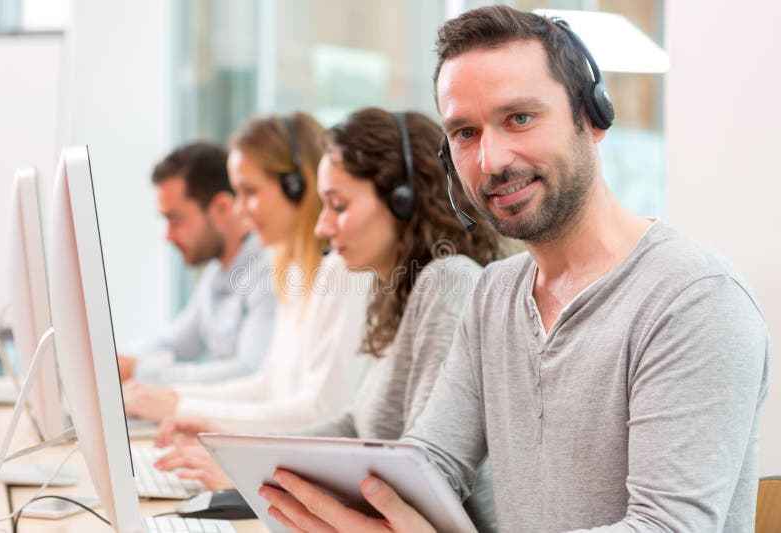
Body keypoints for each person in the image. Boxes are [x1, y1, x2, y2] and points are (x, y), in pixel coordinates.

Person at [259, 7, 770, 533]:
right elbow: (431, 460)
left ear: (592, 116)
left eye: (519, 118)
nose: (492, 160)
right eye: (465, 132)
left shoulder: (695, 299)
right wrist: (296, 486)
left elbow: (668, 527)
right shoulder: (494, 294)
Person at [151, 108, 512, 530]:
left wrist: (258, 472)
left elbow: (420, 474)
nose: (322, 227)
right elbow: (353, 425)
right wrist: (245, 458)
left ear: (403, 199)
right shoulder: (400, 294)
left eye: (338, 206)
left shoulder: (448, 282)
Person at [123, 112, 375, 433]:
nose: (239, 209)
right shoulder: (291, 271)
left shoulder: (343, 272)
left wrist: (179, 407)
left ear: (296, 186)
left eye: (250, 192)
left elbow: (319, 412)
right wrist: (175, 399)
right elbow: (269, 385)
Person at [118, 142, 275, 385]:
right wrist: (114, 363)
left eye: (176, 220)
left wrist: (139, 371)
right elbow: (173, 344)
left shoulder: (269, 272)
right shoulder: (215, 276)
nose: (168, 236)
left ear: (223, 207)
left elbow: (251, 371)